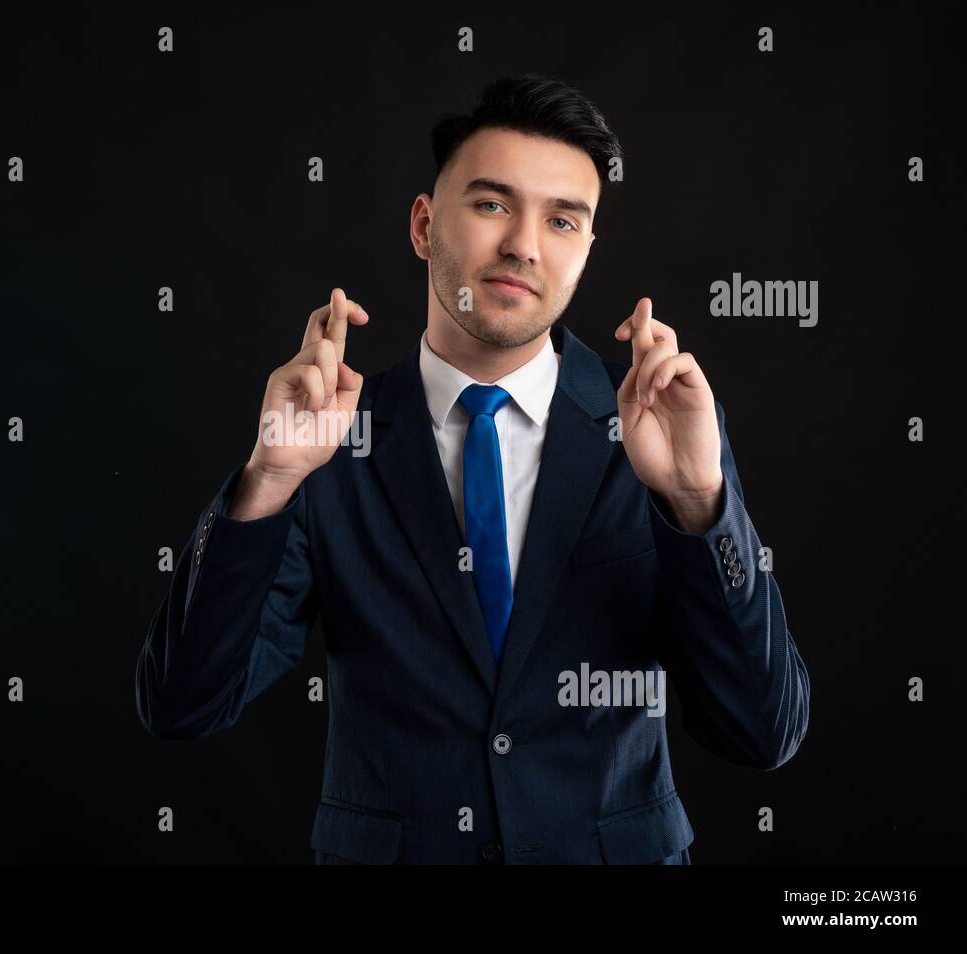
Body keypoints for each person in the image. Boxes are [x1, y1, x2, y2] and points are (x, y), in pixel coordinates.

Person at [135, 73, 809, 864]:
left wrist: (698, 501)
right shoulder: (328, 435)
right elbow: (183, 704)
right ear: (424, 226)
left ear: (585, 253)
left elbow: (763, 734)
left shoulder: (657, 427)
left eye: (563, 220)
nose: (524, 244)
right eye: (492, 204)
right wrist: (269, 479)